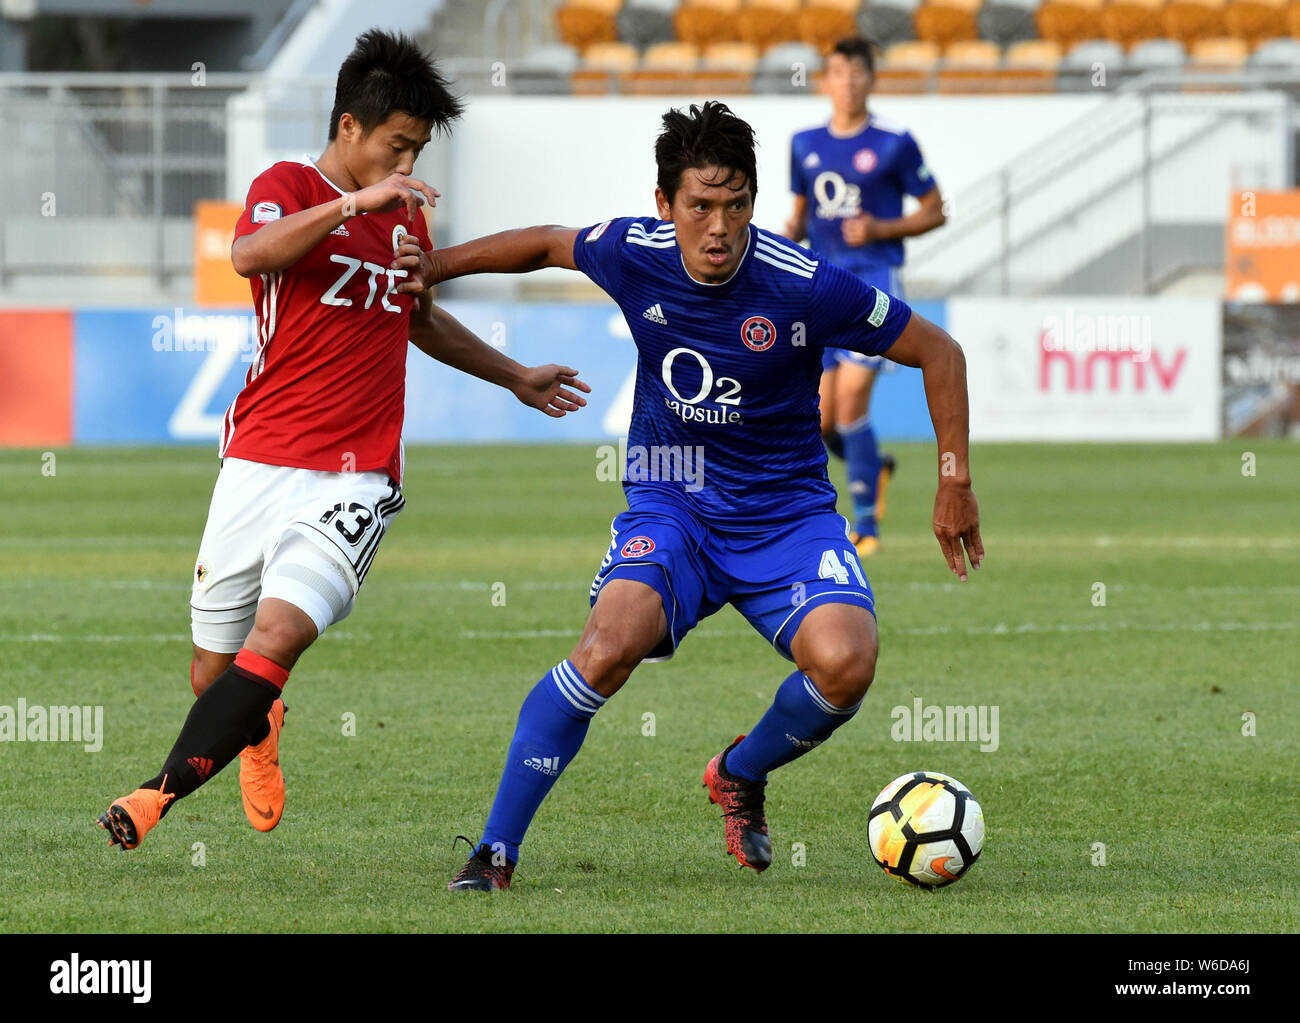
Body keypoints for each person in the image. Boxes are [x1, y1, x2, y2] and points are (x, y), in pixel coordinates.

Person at [400, 100, 982, 892]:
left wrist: (955, 481)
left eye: (736, 204)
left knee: (847, 665)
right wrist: (434, 267)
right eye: (700, 206)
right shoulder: (633, 252)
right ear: (665, 205)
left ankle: (740, 771)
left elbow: (938, 350)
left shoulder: (804, 286)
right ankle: (496, 850)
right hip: (673, 504)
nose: (719, 226)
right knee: (608, 645)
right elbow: (545, 243)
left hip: (787, 515)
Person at [97, 28, 589, 851]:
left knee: (279, 634)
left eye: (417, 151)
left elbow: (418, 323)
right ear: (350, 127)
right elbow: (250, 255)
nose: (406, 166)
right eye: (398, 147)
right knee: (211, 674)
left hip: (354, 476)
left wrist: (513, 375)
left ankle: (153, 795)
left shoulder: (403, 223)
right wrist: (349, 206)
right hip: (257, 460)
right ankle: (260, 722)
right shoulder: (288, 184)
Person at [785, 37, 948, 556]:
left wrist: (880, 228)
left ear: (871, 79)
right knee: (824, 420)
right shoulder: (803, 143)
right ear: (824, 82)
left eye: (858, 73)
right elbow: (799, 216)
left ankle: (866, 528)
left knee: (852, 400)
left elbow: (935, 210)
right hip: (820, 284)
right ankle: (874, 468)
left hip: (873, 283)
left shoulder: (894, 143)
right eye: (838, 73)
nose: (848, 82)